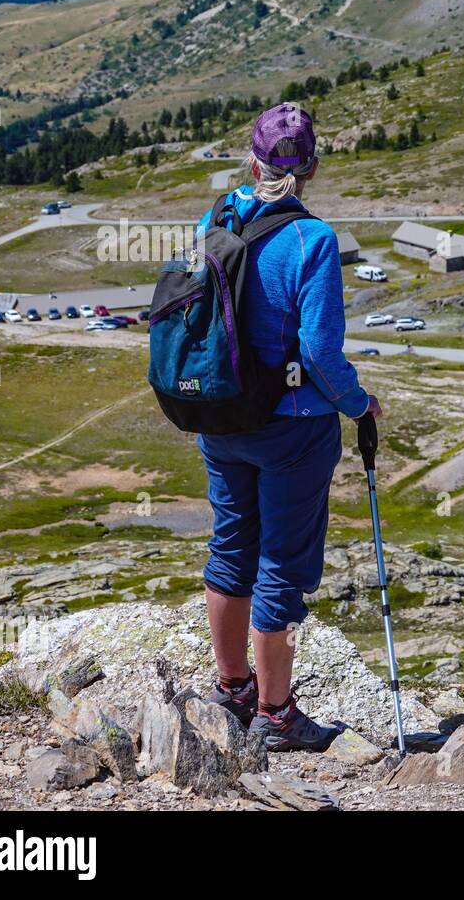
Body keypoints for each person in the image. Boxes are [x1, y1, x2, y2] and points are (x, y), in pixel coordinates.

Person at [195, 103, 381, 752]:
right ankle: (276, 713)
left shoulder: (215, 217)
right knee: (279, 564)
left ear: (252, 161)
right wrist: (359, 405)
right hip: (292, 427)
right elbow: (322, 354)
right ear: (312, 170)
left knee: (230, 545)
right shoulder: (313, 240)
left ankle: (233, 687)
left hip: (219, 415)